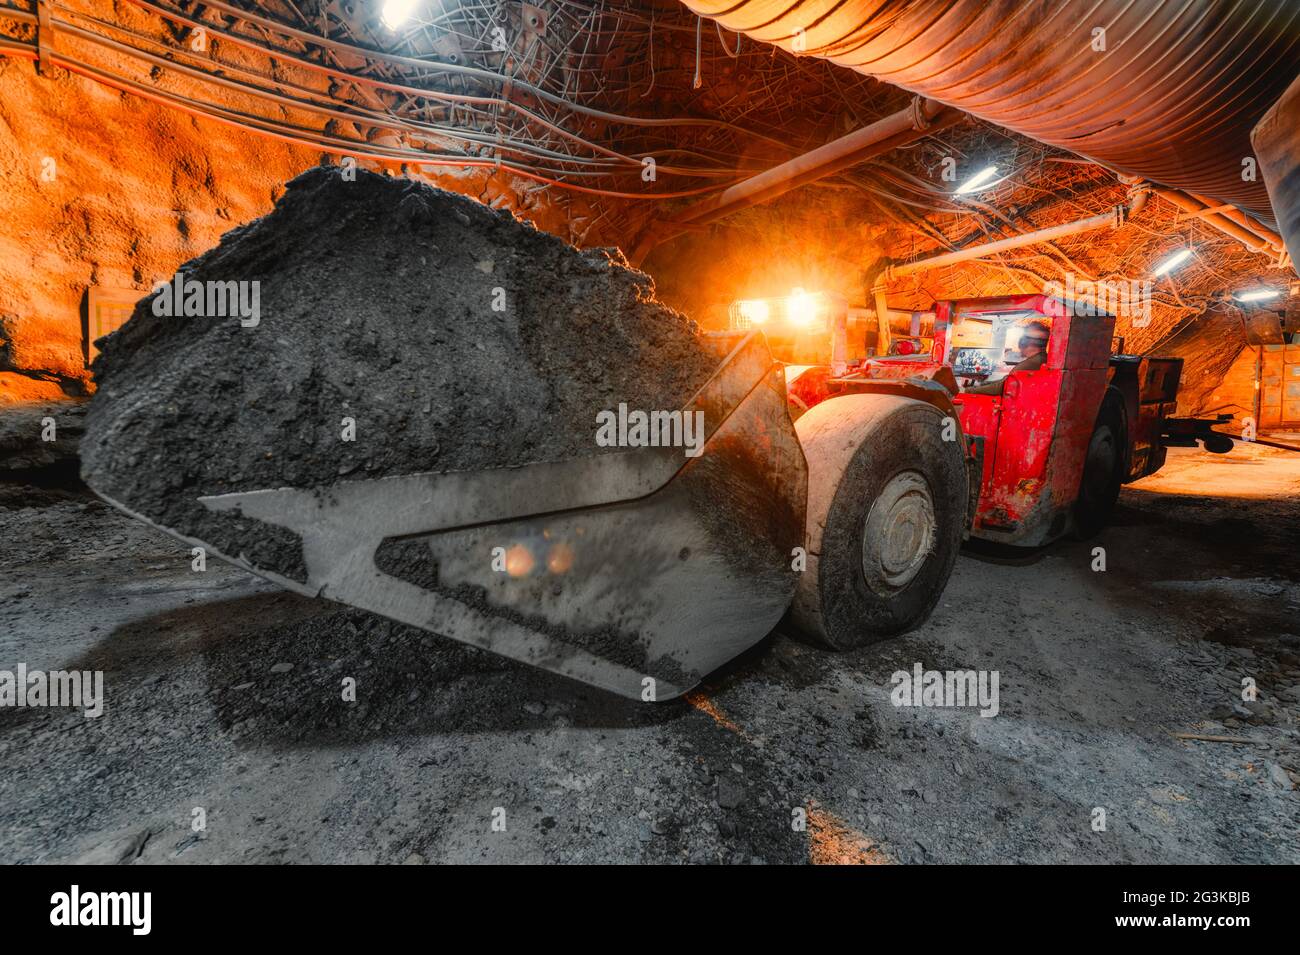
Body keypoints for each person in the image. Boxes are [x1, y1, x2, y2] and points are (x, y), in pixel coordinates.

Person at [964, 320, 1049, 395]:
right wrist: (980, 384)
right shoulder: (1040, 360)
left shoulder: (1031, 364)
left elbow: (1002, 387)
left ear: (1024, 341)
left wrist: (969, 391)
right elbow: (1005, 381)